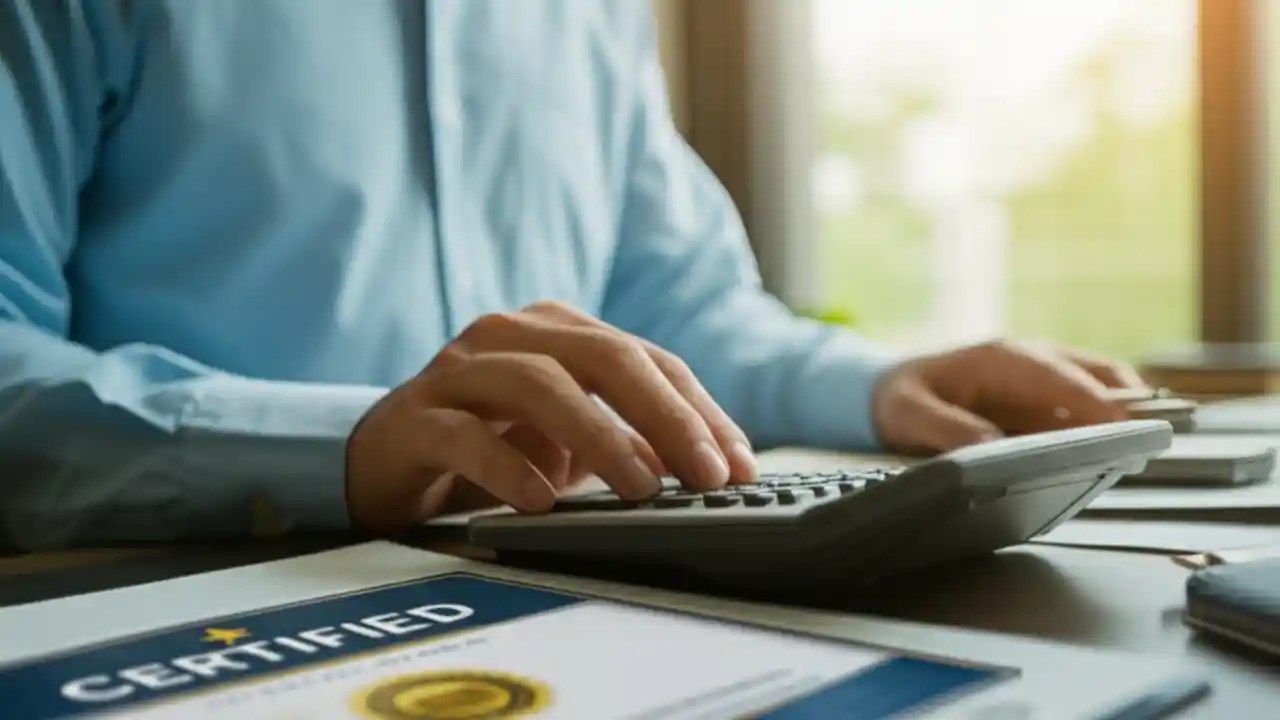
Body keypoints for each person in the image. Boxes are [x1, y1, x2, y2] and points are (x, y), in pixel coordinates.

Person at [0, 1, 1143, 549]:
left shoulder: (587, 16)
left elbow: (684, 317)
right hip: (192, 601)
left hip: (562, 585)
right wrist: (340, 445)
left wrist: (883, 385)